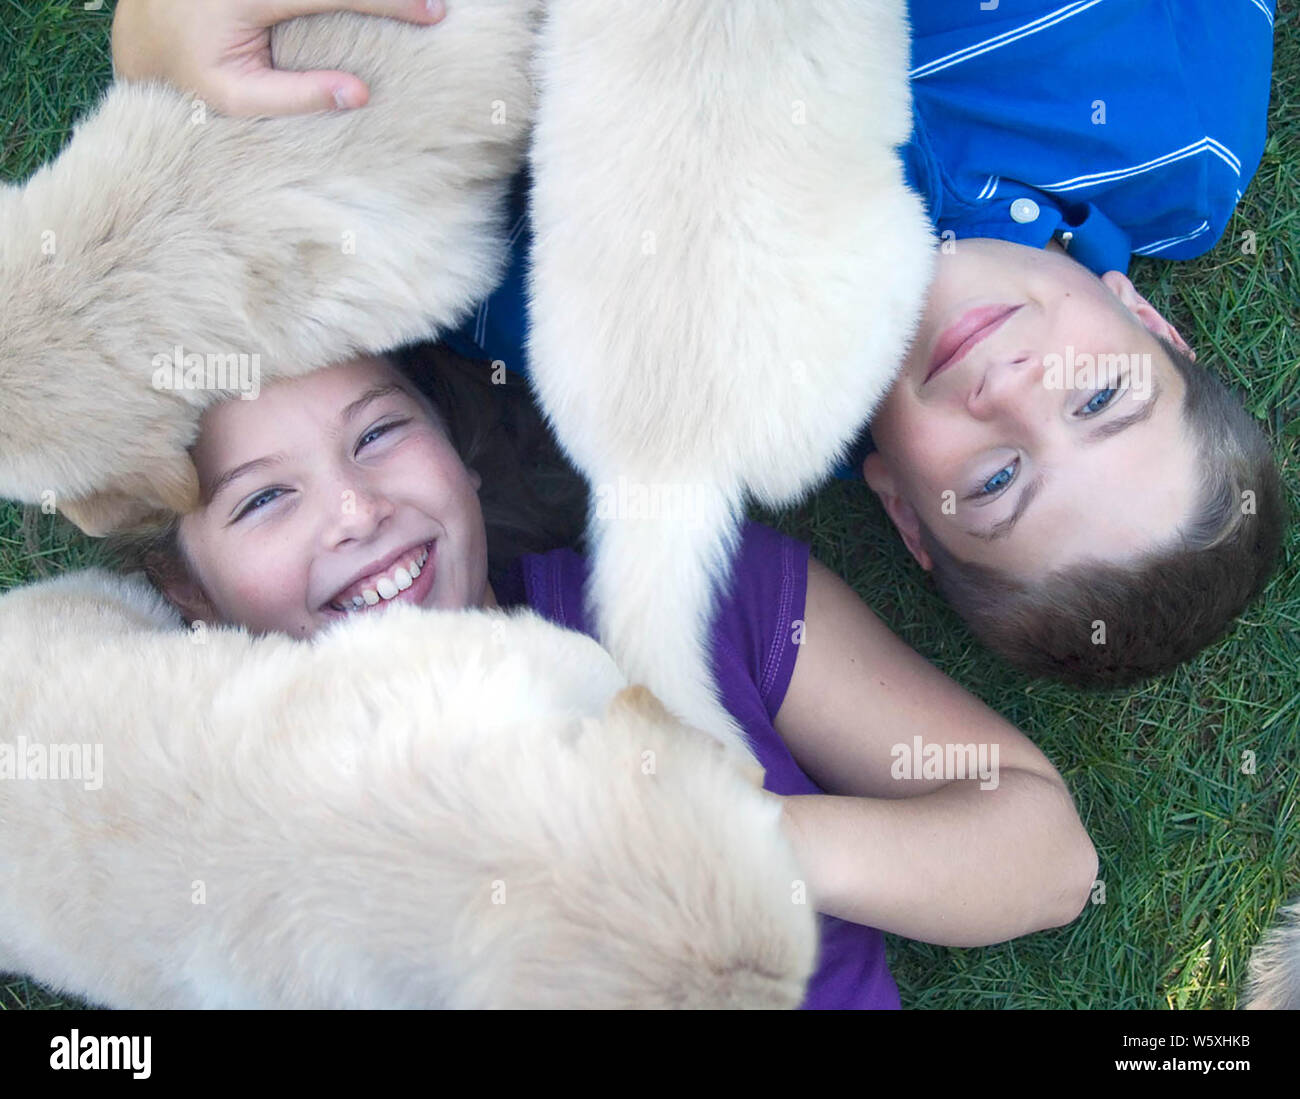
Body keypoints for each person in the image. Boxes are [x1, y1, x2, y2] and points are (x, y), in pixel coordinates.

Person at [108, 1, 1283, 687]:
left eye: (996, 479)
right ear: (1147, 321)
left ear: (904, 514)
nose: (1010, 391)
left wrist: (155, 37)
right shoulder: (1177, 123)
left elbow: (353, 133)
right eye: (1097, 400)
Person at [105, 345, 1098, 1009]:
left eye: (377, 435)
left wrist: (723, 839)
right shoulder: (235, 851)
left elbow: (1047, 857)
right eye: (266, 498)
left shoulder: (683, 596)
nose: (356, 511)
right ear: (186, 589)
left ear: (458, 455)